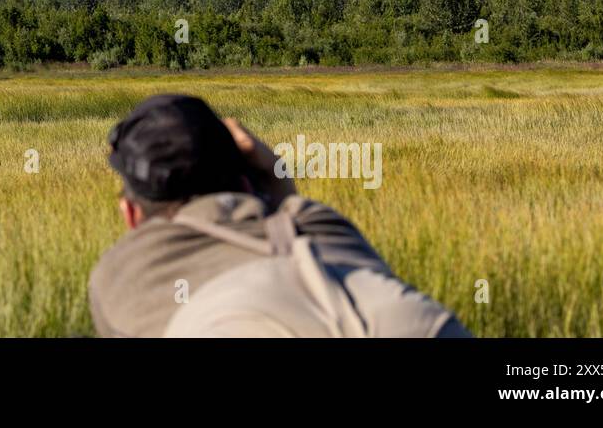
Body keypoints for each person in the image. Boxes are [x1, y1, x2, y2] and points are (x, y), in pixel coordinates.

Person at [89, 93, 471, 338]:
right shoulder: (316, 222)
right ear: (245, 179)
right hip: (410, 325)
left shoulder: (117, 275)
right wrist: (275, 172)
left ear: (131, 215)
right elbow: (283, 211)